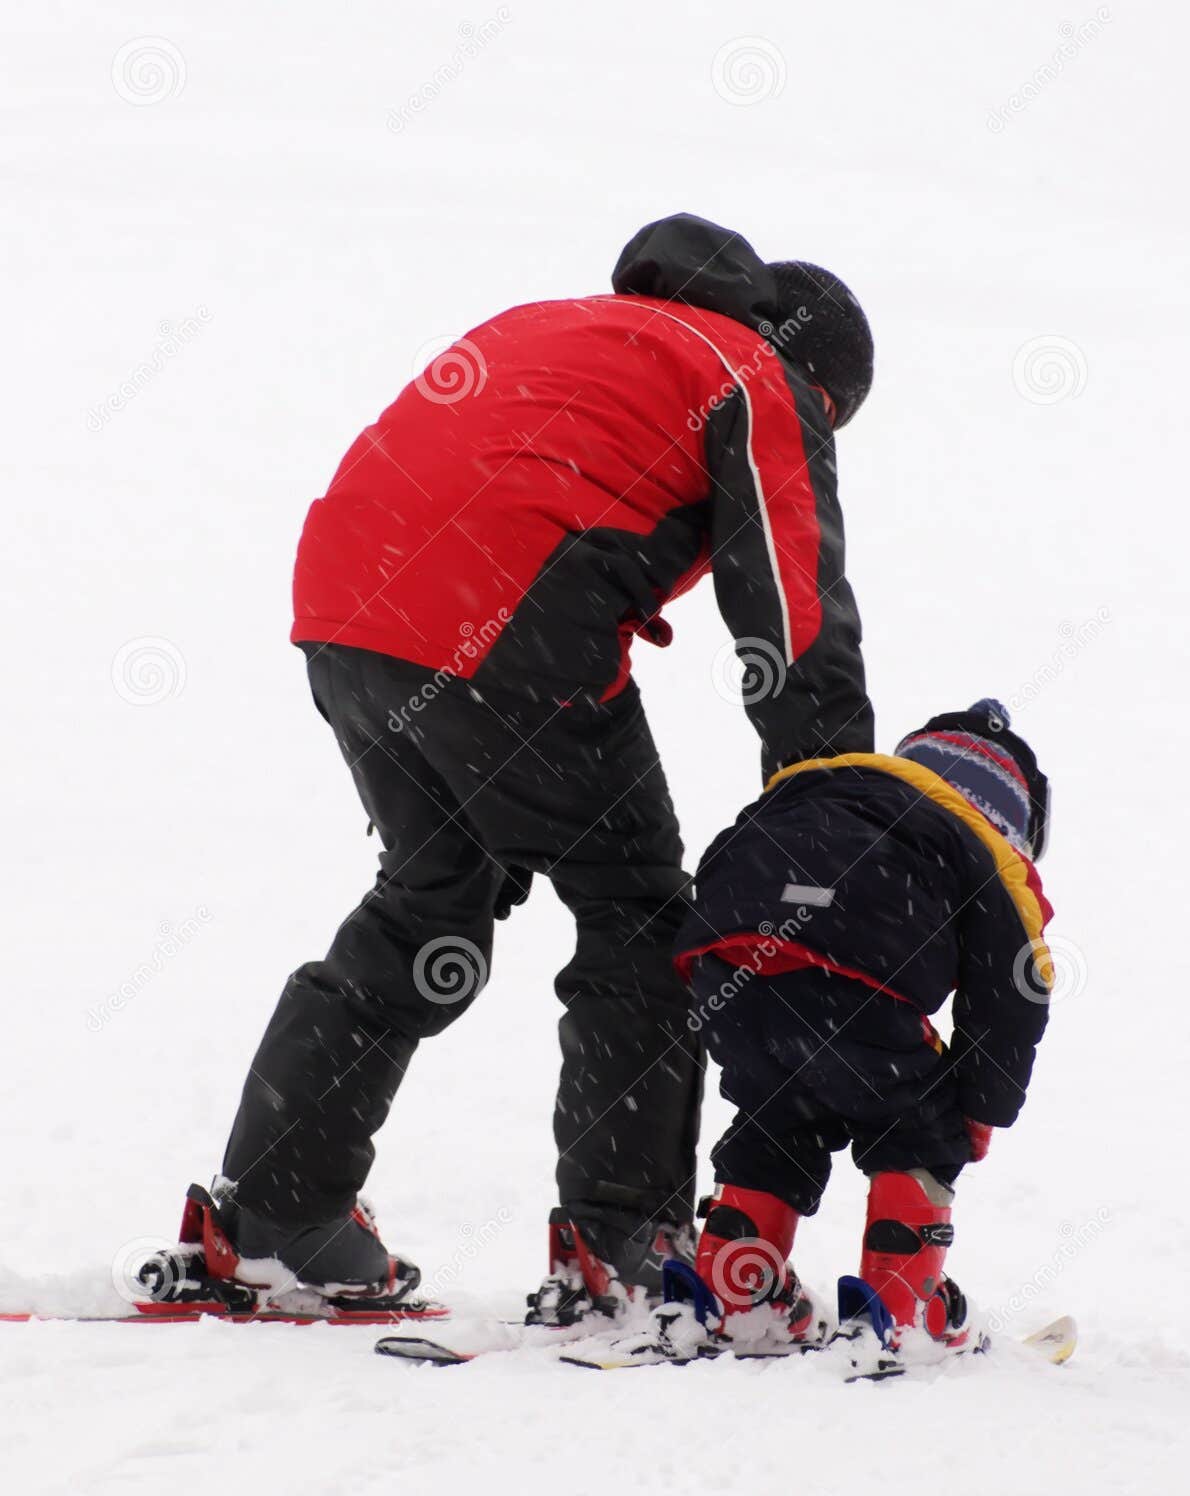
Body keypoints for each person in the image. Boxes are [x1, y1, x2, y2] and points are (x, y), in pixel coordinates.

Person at [152, 213, 878, 1320]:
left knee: (431, 897)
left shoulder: (585, 323)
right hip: (499, 619)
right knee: (638, 911)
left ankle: (274, 1214)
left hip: (345, 604)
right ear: (817, 380)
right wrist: (831, 805)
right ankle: (625, 1238)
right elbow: (791, 609)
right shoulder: (758, 374)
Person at [655, 698, 1053, 1363]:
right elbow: (1014, 991)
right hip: (857, 980)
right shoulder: (984, 845)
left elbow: (728, 860)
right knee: (919, 1118)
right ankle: (902, 1308)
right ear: (1014, 820)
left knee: (777, 1114)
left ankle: (733, 1293)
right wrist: (978, 1111)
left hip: (730, 965)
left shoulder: (817, 785)